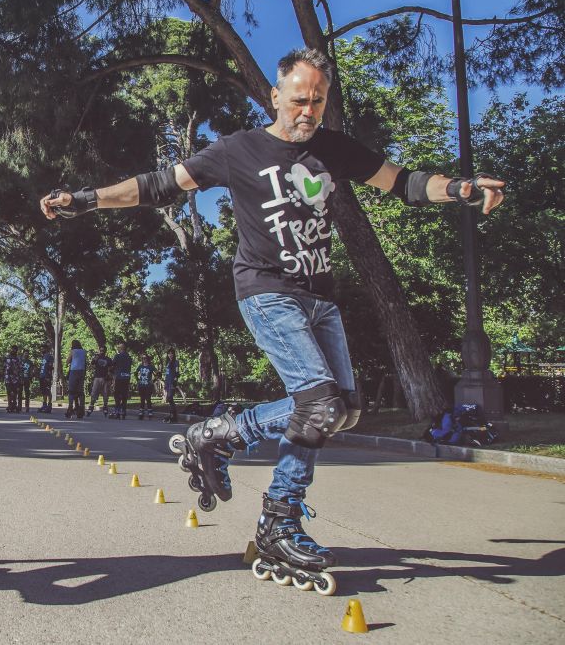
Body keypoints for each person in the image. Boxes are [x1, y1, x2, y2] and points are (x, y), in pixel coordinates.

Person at [39, 47, 505, 592]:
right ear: (276, 96)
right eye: (300, 100)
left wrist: (459, 189)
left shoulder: (333, 148)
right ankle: (279, 517)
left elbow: (401, 182)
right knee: (317, 402)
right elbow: (160, 184)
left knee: (344, 411)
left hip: (320, 296)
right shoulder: (239, 150)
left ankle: (218, 435)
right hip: (266, 291)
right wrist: (87, 200)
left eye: (319, 101)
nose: (309, 111)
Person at [110, 342, 132, 420]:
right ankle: (123, 410)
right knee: (124, 395)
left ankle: (117, 411)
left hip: (119, 377)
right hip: (126, 377)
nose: (118, 349)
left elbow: (112, 365)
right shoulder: (129, 357)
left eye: (118, 348)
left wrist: (112, 371)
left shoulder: (117, 356)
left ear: (121, 348)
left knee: (117, 394)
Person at [64, 340, 86, 419]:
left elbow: (67, 361)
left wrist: (68, 362)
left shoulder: (73, 351)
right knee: (80, 391)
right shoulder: (84, 352)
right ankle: (81, 408)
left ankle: (70, 408)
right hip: (82, 372)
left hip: (74, 371)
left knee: (72, 390)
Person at [88, 346, 112, 415]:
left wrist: (109, 376)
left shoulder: (108, 359)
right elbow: (91, 365)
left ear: (105, 351)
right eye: (101, 350)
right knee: (94, 392)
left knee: (105, 393)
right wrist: (95, 359)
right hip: (97, 377)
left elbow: (111, 368)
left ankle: (105, 406)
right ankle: (91, 406)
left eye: (103, 351)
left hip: (105, 378)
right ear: (99, 351)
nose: (102, 352)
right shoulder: (97, 358)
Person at [2, 346, 24, 413]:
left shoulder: (18, 358)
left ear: (16, 350)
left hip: (15, 377)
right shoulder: (7, 358)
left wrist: (20, 377)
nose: (13, 351)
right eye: (12, 349)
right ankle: (9, 405)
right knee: (9, 391)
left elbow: (21, 368)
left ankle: (14, 404)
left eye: (15, 350)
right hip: (8, 377)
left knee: (15, 391)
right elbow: (4, 367)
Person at [135, 354, 156, 420]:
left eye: (146, 358)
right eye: (143, 358)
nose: (144, 359)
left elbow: (158, 373)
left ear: (148, 359)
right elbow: (135, 373)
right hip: (141, 385)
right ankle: (141, 413)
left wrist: (153, 380)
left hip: (148, 385)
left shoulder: (151, 366)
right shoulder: (140, 366)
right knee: (142, 399)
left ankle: (150, 412)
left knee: (148, 398)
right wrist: (138, 380)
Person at [163, 348, 180, 423]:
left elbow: (177, 373)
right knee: (169, 399)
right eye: (169, 353)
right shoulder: (167, 362)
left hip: (172, 382)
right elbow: (166, 374)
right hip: (167, 382)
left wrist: (175, 381)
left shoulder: (176, 362)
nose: (170, 355)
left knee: (170, 398)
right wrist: (165, 383)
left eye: (172, 353)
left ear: (174, 354)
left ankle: (174, 416)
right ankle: (172, 415)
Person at [37, 344, 54, 413]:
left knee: (48, 390)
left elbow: (50, 366)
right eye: (41, 349)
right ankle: (44, 405)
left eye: (43, 349)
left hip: (47, 376)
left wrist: (48, 375)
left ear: (47, 349)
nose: (42, 350)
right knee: (43, 391)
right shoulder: (43, 357)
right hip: (42, 376)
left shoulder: (49, 356)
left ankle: (49, 405)